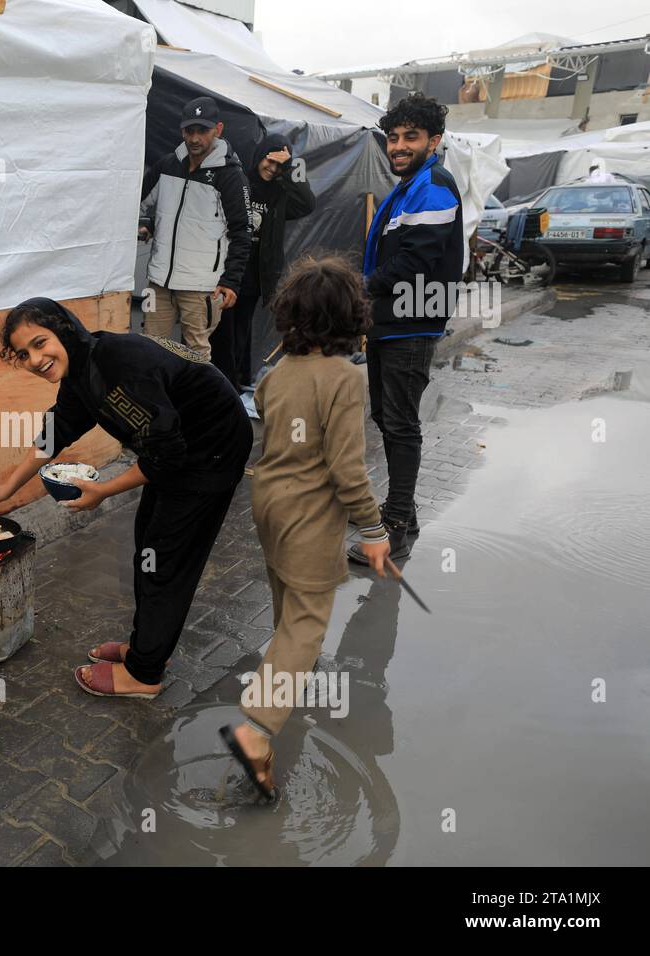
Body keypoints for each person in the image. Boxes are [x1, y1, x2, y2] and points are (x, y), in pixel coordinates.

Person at [0, 298, 253, 699]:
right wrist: (9, 487)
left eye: (40, 343)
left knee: (167, 560)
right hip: (181, 450)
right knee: (150, 545)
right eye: (24, 354)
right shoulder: (82, 368)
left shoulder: (116, 367)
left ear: (64, 330)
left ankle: (144, 675)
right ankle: (147, 649)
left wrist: (102, 491)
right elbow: (59, 429)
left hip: (210, 453)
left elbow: (166, 453)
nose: (35, 359)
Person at [221, 256, 391, 800]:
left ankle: (285, 671)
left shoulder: (276, 375)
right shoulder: (344, 378)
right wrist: (374, 529)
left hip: (268, 505)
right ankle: (257, 727)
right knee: (306, 622)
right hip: (311, 517)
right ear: (351, 318)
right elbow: (346, 468)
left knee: (286, 600)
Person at [349, 93, 462, 565]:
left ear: (433, 141)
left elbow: (417, 258)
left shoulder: (433, 184)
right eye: (393, 138)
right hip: (391, 321)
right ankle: (400, 511)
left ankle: (397, 527)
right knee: (388, 420)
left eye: (409, 137)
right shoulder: (408, 185)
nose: (398, 145)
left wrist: (360, 289)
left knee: (400, 424)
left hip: (411, 322)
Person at [138, 96, 252, 364]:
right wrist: (147, 222)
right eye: (190, 131)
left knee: (196, 356)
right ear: (182, 130)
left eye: (203, 131)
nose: (195, 138)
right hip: (158, 281)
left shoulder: (231, 175)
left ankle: (194, 406)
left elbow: (242, 232)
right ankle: (155, 404)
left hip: (201, 287)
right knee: (149, 347)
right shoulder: (167, 164)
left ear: (218, 129)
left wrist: (231, 282)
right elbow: (138, 202)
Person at [210, 132, 316, 390]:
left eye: (279, 165)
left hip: (256, 276)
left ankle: (237, 384)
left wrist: (289, 169)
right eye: (269, 161)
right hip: (228, 270)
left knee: (242, 332)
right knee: (222, 332)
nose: (272, 168)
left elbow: (307, 204)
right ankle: (222, 384)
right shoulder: (240, 182)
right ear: (259, 157)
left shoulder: (280, 194)